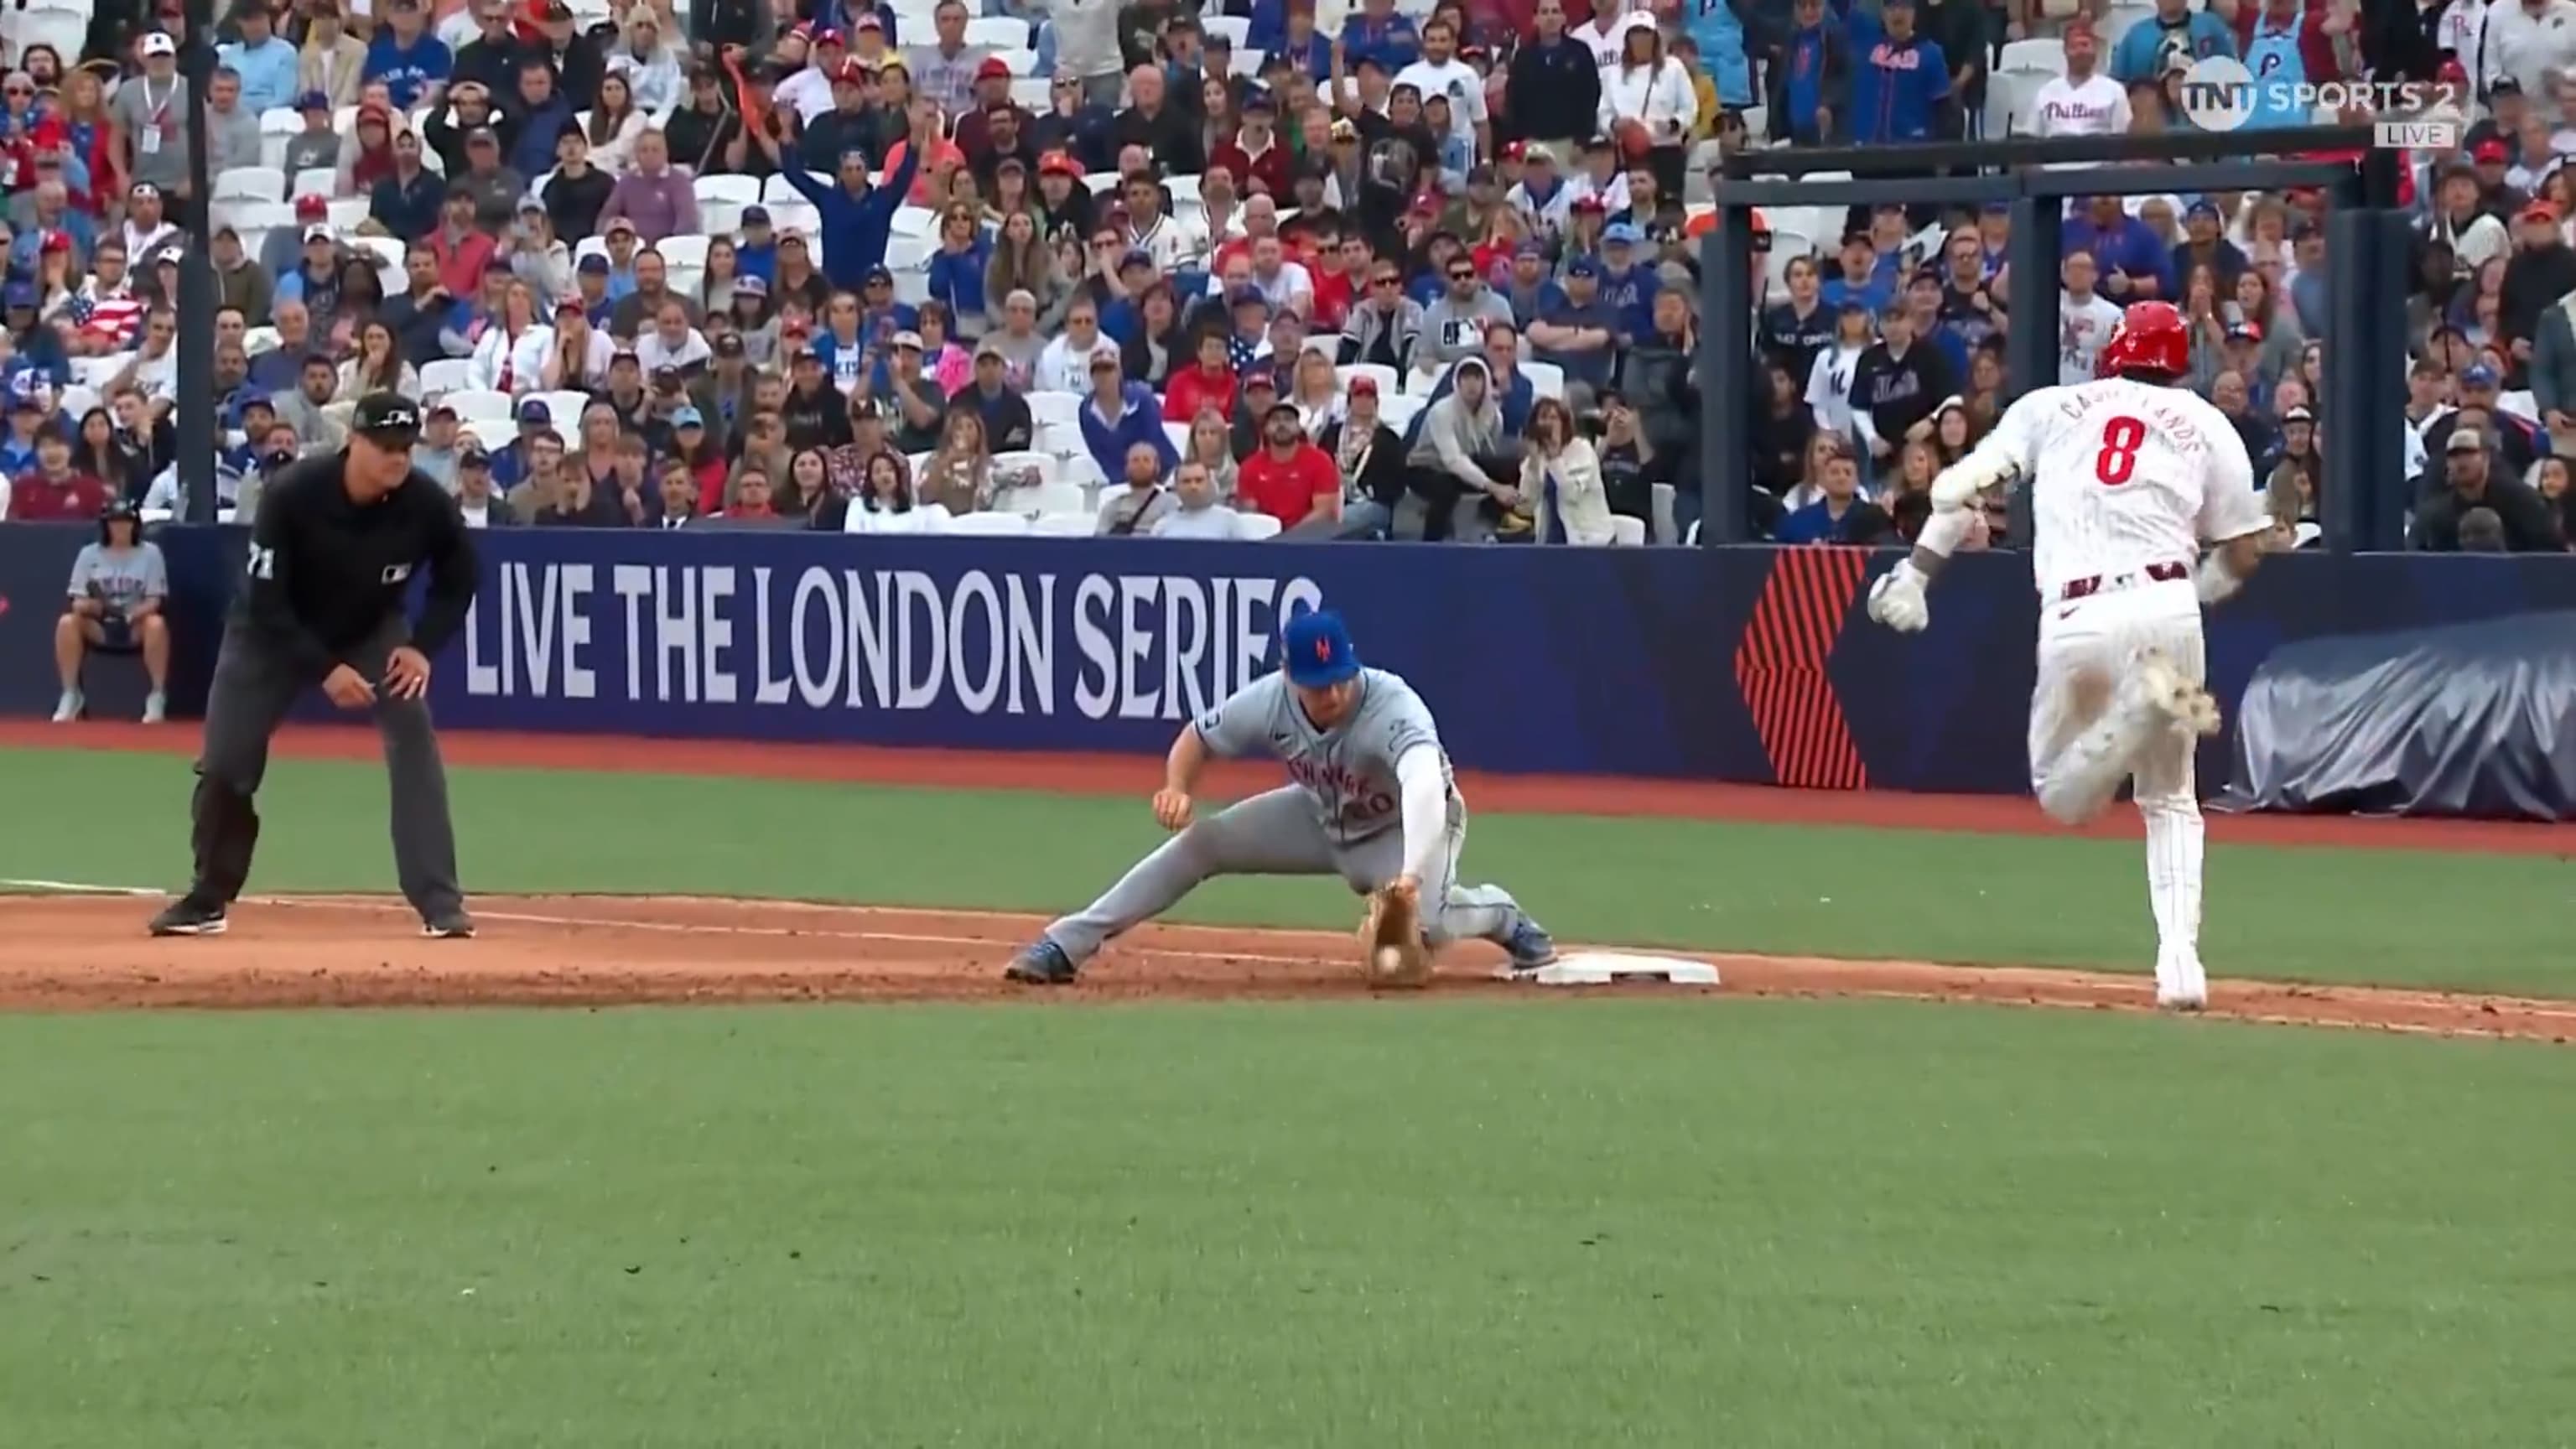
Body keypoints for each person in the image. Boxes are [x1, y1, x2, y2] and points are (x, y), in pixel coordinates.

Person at [1865, 302, 2269, 1011]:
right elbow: (2241, 549)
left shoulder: (2051, 406)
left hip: (2079, 609)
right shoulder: (2206, 421)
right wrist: (2215, 584)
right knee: (2172, 801)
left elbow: (1973, 486)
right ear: (2178, 361)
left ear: (2111, 352)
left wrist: (1918, 573)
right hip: (2168, 606)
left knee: (2061, 794)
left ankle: (2125, 722)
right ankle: (2180, 964)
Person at [1002, 610, 1559, 986]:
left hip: (1403, 831)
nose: (1334, 692)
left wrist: (1411, 876)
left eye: (1341, 677)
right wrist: (1177, 786)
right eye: (1318, 684)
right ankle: (1065, 944)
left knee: (1421, 939)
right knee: (1205, 843)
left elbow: (1422, 789)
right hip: (1319, 816)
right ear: (1289, 675)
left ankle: (1502, 915)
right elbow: (1198, 738)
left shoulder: (1394, 707)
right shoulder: (1270, 700)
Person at [148, 394, 479, 942]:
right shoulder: (295, 494)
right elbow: (267, 599)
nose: (397, 458)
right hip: (269, 634)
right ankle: (209, 896)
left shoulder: (425, 503)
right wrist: (326, 668)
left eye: (405, 447)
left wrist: (421, 646)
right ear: (354, 441)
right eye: (385, 446)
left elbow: (460, 576)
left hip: (371, 628)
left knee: (413, 737)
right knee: (227, 763)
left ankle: (440, 900)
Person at [53, 501, 170, 724]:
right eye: (115, 523)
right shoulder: (89, 554)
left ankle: (157, 695)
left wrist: (134, 612)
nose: (120, 528)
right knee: (67, 623)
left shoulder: (151, 554)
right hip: (100, 623)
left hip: (135, 622)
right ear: (106, 526)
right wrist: (91, 606)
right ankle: (71, 694)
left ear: (135, 525)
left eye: (126, 522)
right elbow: (77, 599)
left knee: (156, 624)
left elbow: (155, 599)